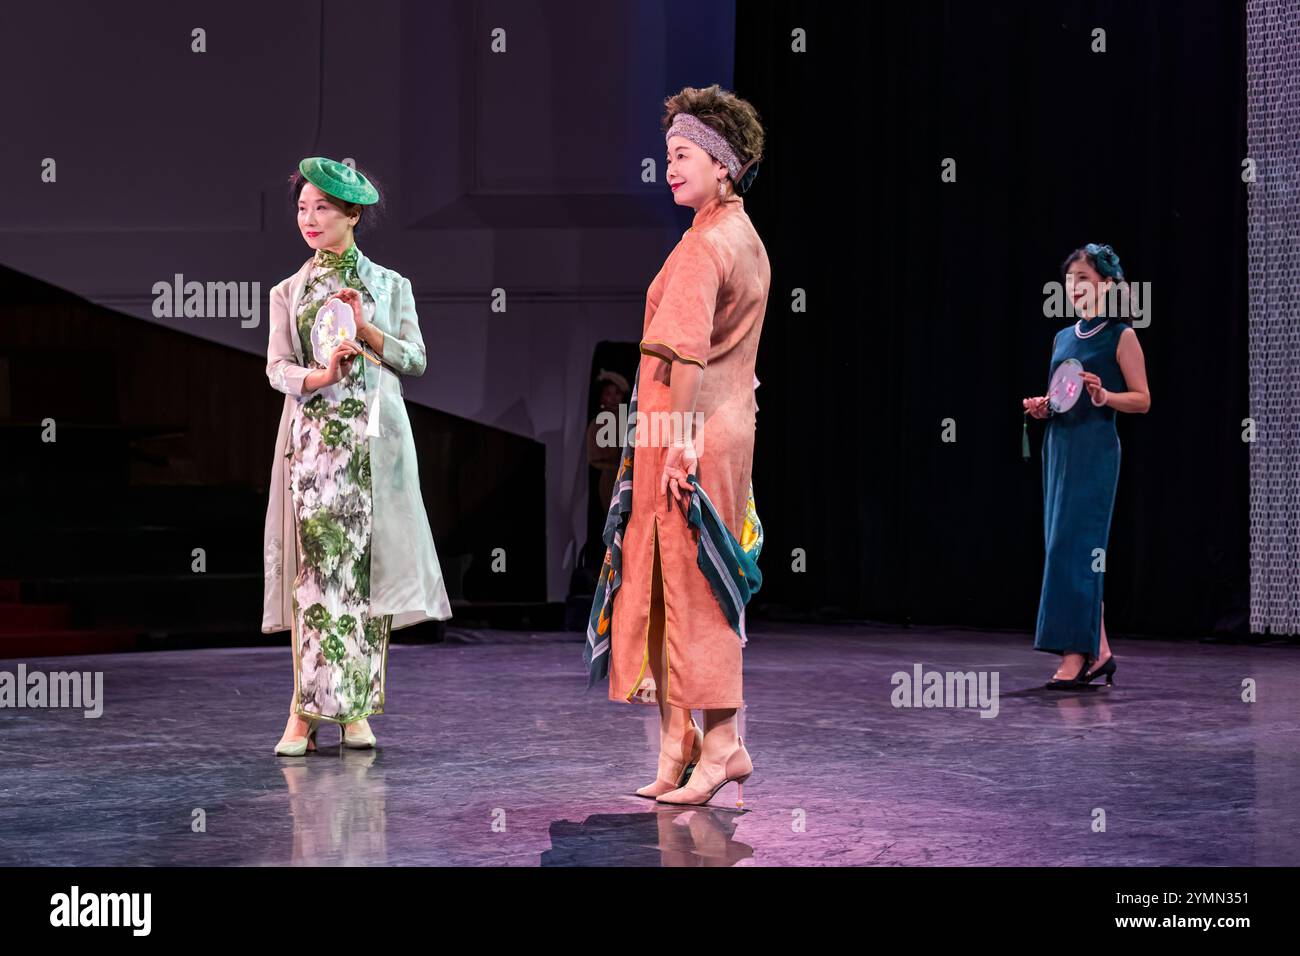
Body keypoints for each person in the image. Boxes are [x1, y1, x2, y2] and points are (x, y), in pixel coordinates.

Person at [587, 85, 770, 806]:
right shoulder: (743, 236)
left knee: (692, 584)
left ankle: (721, 745)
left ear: (723, 164)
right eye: (668, 154)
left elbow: (687, 356)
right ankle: (678, 745)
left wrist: (681, 443)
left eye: (685, 154)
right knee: (669, 578)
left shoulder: (705, 245)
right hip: (717, 428)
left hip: (686, 432)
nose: (670, 167)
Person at [262, 157, 452, 754]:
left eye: (322, 207)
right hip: (315, 452)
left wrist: (368, 332)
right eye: (302, 207)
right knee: (317, 577)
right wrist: (320, 376)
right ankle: (303, 713)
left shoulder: (390, 286)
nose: (309, 218)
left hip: (373, 447)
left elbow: (416, 359)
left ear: (352, 215)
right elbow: (276, 368)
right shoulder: (288, 291)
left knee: (365, 578)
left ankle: (355, 712)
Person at [1022, 243, 1150, 689]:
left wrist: (1105, 395)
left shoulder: (1121, 336)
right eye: (1070, 280)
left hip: (1094, 452)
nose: (1075, 287)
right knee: (1061, 549)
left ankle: (1076, 654)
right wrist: (1042, 408)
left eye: (1084, 279)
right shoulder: (1062, 338)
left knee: (1078, 551)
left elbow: (1143, 399)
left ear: (1107, 285)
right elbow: (1062, 397)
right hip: (1059, 448)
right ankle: (1102, 651)